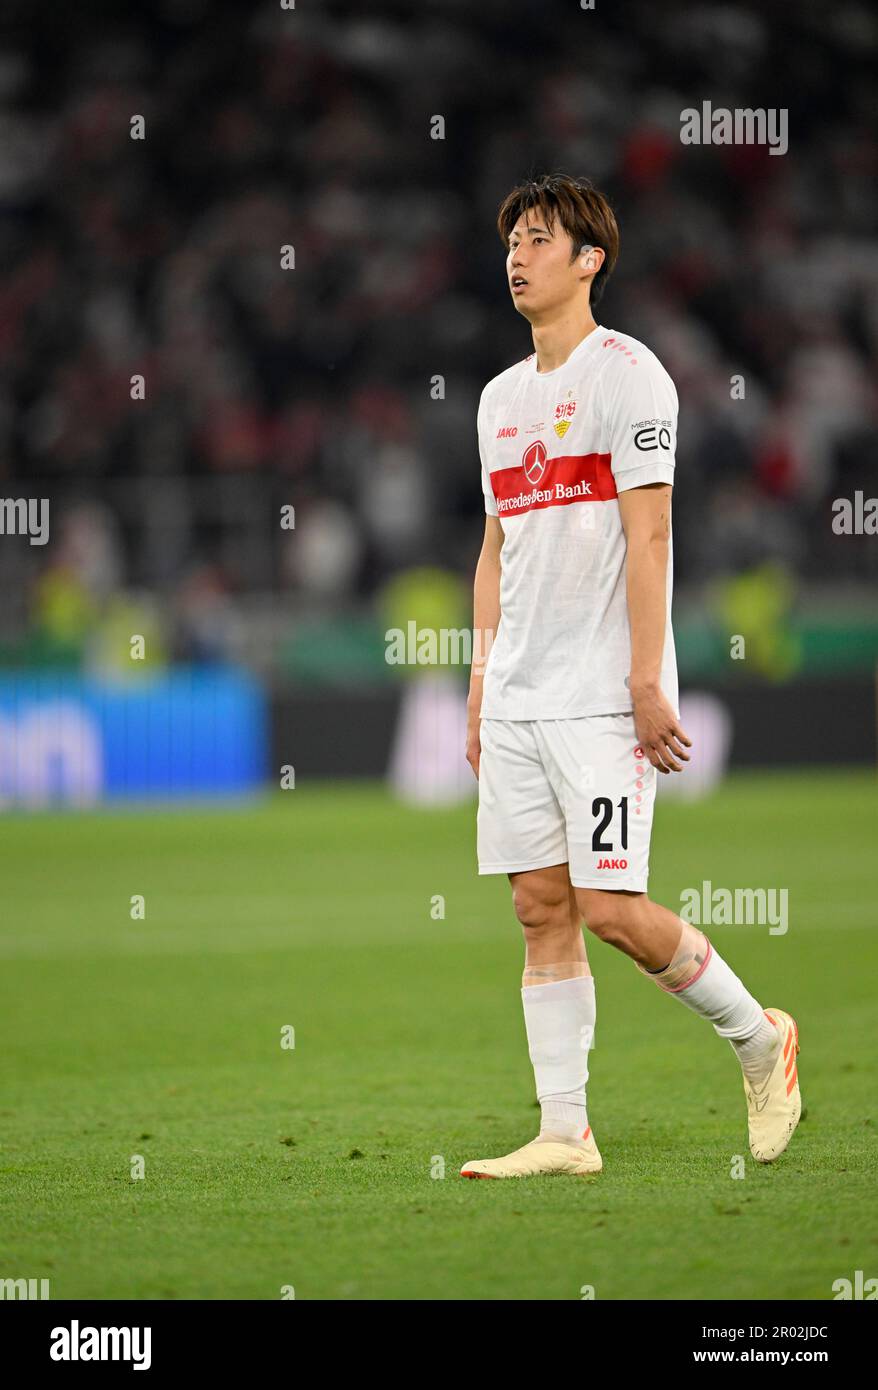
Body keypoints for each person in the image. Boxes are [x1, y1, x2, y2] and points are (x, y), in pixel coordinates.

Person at [462, 173, 800, 1179]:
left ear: (589, 260)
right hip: (518, 694)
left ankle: (758, 1038)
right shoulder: (497, 399)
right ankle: (565, 1133)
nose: (517, 256)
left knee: (610, 908)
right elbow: (494, 550)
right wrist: (479, 683)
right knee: (538, 906)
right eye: (511, 241)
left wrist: (646, 680)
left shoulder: (630, 376)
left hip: (604, 694)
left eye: (537, 239)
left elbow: (650, 533)